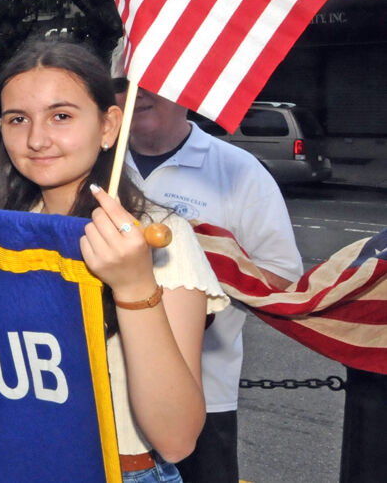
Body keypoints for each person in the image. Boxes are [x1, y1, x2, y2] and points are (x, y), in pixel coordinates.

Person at [0, 40, 227, 480]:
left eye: (61, 116)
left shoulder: (158, 237)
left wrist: (135, 286)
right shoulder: (7, 230)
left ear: (108, 126)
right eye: (17, 119)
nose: (37, 139)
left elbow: (176, 437)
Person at [113, 80, 303, 483]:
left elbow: (283, 275)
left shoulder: (238, 171)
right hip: (102, 393)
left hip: (204, 395)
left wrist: (201, 289)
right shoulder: (96, 165)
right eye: (124, 84)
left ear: (185, 91)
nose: (137, 95)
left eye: (152, 84)